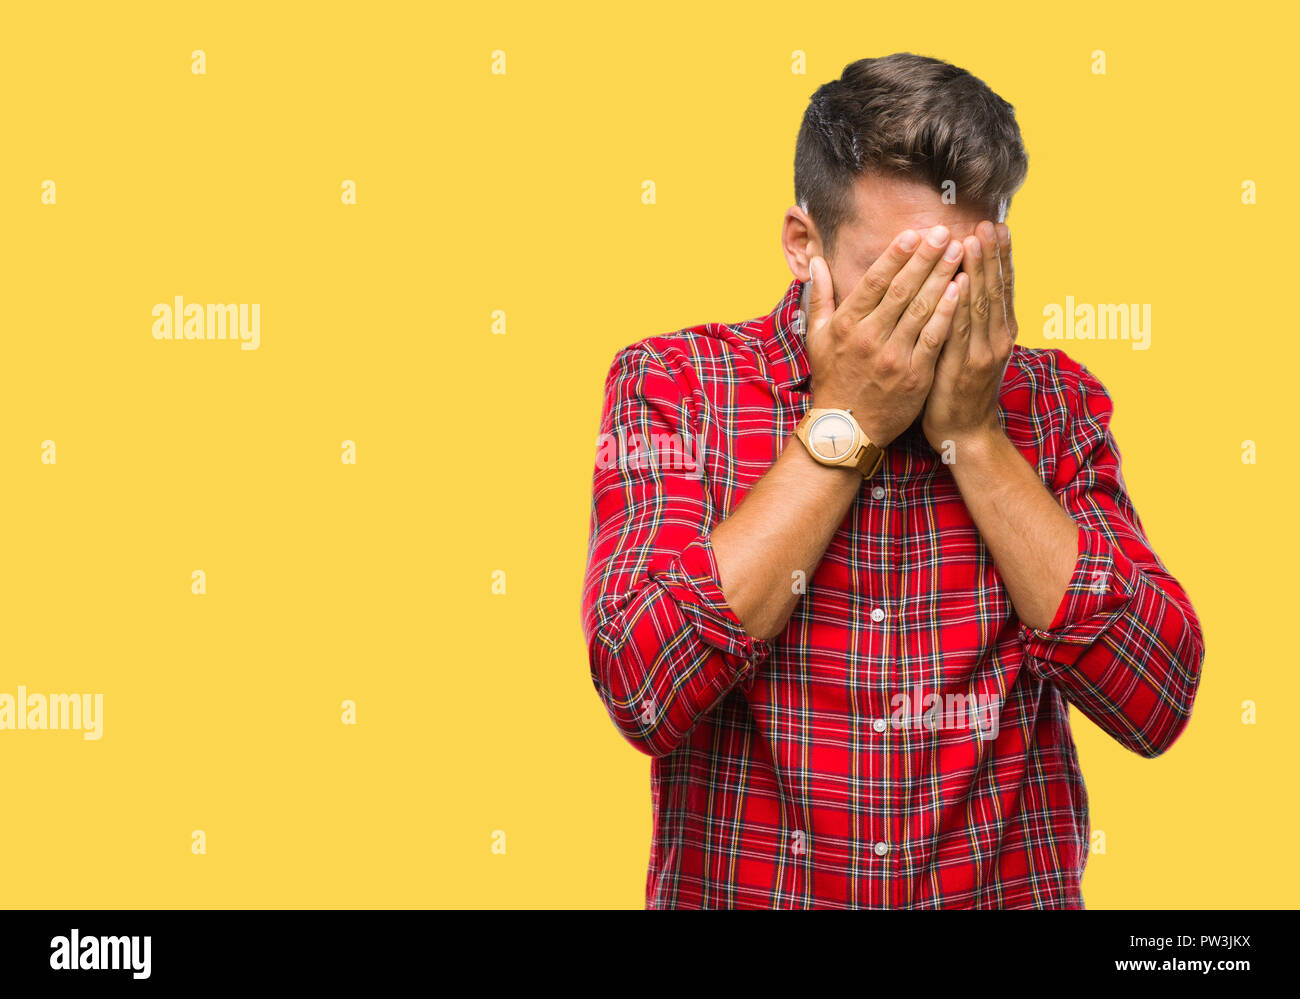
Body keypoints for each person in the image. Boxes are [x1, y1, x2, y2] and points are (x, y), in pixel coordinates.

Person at [580, 52, 1203, 909]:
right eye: (896, 276)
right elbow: (642, 685)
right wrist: (848, 424)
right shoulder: (676, 385)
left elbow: (1155, 698)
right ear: (805, 245)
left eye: (958, 276)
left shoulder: (1052, 404)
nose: (931, 314)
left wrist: (977, 439)